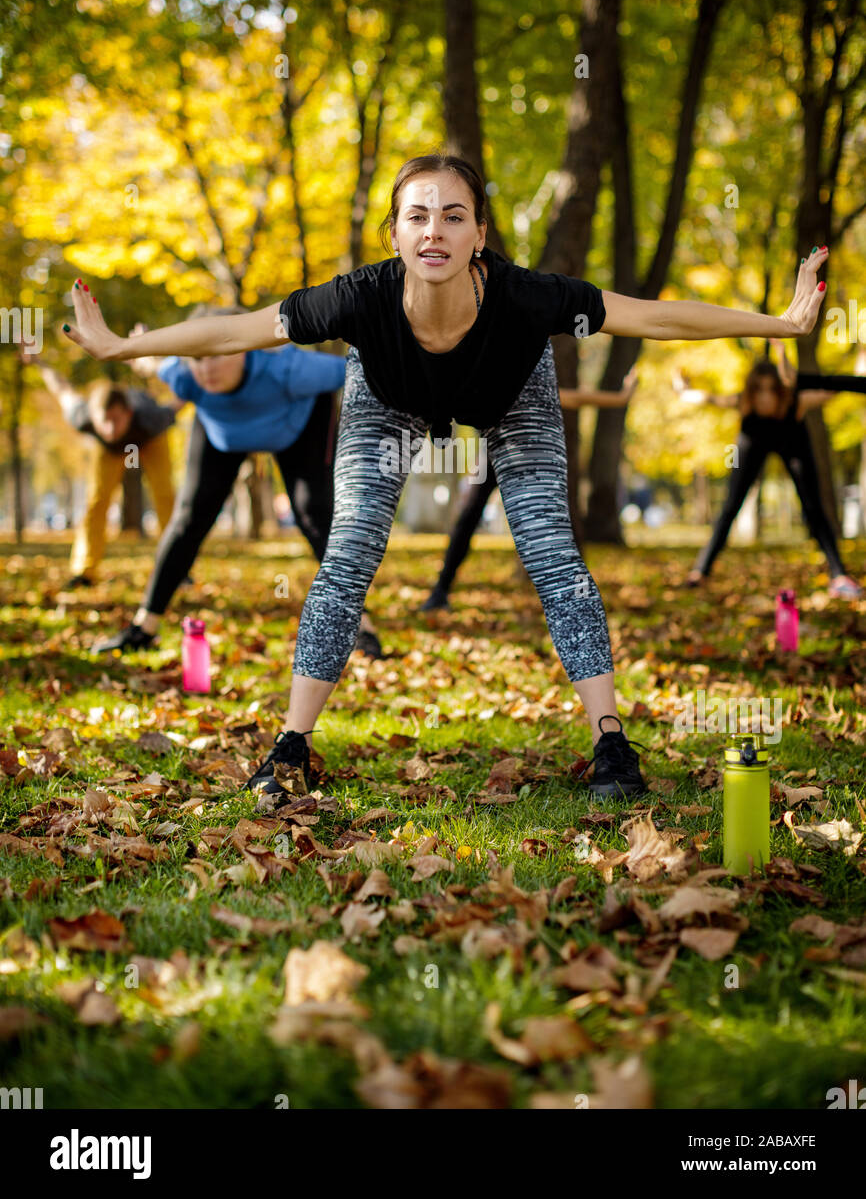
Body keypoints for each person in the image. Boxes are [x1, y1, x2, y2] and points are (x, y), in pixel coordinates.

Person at [60, 153, 830, 803]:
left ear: (480, 234)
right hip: (386, 402)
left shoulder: (527, 297)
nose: (435, 230)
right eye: (418, 215)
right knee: (350, 548)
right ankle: (292, 744)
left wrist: (783, 323)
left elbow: (653, 316)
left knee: (553, 557)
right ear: (395, 233)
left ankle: (610, 742)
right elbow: (237, 327)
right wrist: (118, 350)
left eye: (454, 215)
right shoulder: (358, 297)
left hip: (510, 396)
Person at [91, 307, 383, 659]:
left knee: (313, 514)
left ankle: (362, 626)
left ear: (244, 346)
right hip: (223, 435)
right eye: (196, 358)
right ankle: (144, 626)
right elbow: (154, 364)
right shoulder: (186, 378)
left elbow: (359, 369)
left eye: (217, 356)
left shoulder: (289, 370)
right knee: (189, 517)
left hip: (297, 426)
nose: (206, 369)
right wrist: (140, 353)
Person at [421, 368, 638, 611]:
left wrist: (621, 398)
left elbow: (574, 397)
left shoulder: (530, 385)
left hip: (527, 460)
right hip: (492, 457)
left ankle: (566, 598)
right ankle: (440, 591)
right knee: (468, 519)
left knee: (544, 526)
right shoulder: (483, 377)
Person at [675, 338, 864, 597]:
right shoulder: (742, 402)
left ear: (780, 390)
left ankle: (839, 574)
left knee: (813, 506)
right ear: (751, 391)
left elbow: (830, 391)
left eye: (771, 389)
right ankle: (700, 571)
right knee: (731, 506)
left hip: (794, 444)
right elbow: (707, 398)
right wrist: (683, 390)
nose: (765, 396)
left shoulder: (796, 401)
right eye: (759, 390)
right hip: (749, 446)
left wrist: (858, 368)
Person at [23, 350, 177, 587]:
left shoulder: (151, 417)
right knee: (96, 500)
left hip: (150, 440)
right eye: (103, 420)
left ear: (129, 413)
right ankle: (85, 570)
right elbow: (61, 388)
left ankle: (178, 568)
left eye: (116, 419)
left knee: (165, 496)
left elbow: (184, 396)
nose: (110, 428)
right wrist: (39, 361)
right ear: (93, 417)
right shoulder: (82, 416)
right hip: (109, 451)